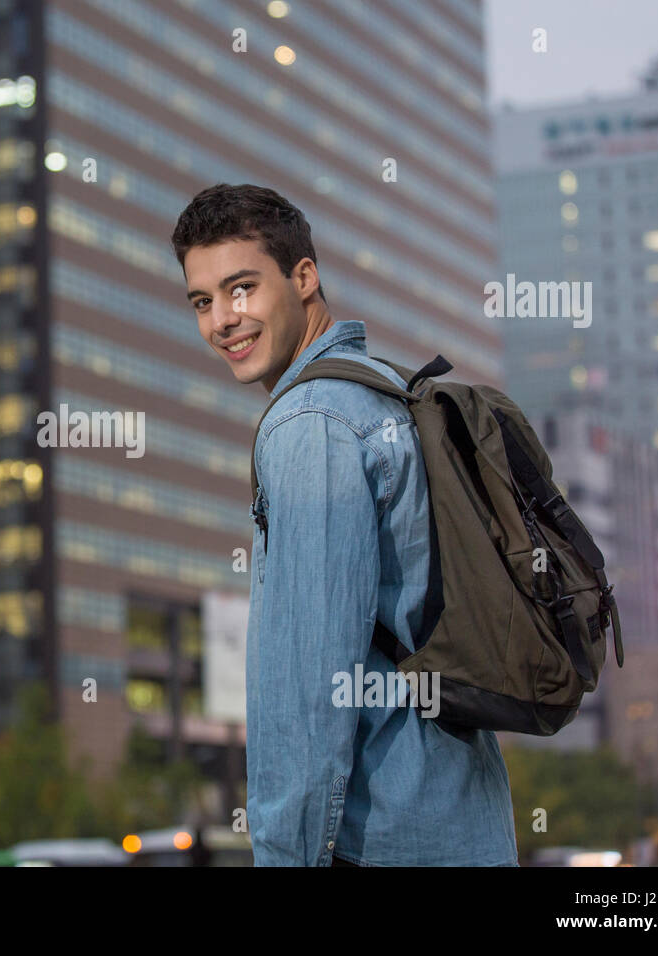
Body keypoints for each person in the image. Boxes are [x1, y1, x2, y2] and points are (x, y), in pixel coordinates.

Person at [171, 183, 519, 866]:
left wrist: (283, 856)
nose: (223, 320)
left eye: (242, 288)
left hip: (382, 839)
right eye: (203, 301)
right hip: (461, 819)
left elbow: (310, 695)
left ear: (304, 277)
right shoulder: (381, 392)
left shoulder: (311, 424)